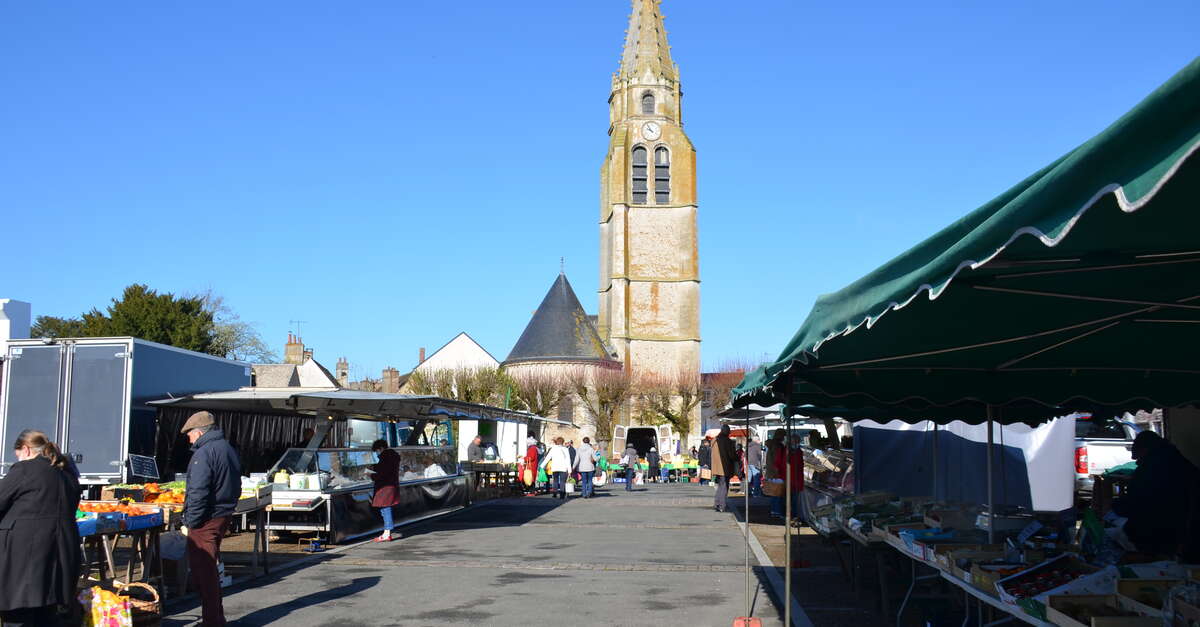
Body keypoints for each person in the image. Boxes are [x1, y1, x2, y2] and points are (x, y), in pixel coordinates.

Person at [0, 430, 81, 627]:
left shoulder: (25, 469)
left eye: (18, 454)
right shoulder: (67, 473)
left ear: (26, 449)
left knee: (19, 616)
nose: (18, 459)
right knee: (47, 614)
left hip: (25, 557)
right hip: (60, 556)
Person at [180, 411, 242, 627]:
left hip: (206, 518)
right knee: (208, 570)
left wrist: (191, 521)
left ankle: (213, 621)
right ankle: (215, 619)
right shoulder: (227, 448)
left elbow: (198, 491)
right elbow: (236, 484)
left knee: (204, 573)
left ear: (198, 433)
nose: (189, 439)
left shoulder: (204, 453)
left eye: (189, 434)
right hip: (221, 514)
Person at [1111, 431, 1200, 558]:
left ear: (1144, 450)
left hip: (1159, 532)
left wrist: (1114, 506)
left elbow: (1136, 502)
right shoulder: (1180, 461)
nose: (1136, 461)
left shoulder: (1150, 469)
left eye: (1138, 457)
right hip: (1186, 531)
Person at [369, 439, 401, 542]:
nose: (377, 453)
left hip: (385, 487)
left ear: (381, 448)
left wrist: (371, 475)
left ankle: (387, 532)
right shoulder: (392, 456)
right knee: (385, 508)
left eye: (377, 451)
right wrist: (375, 467)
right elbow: (385, 469)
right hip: (391, 486)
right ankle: (386, 532)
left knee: (385, 508)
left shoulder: (385, 457)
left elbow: (382, 473)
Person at [773, 434, 806, 525]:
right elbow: (777, 464)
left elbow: (800, 465)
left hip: (796, 480)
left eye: (798, 441)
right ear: (791, 441)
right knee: (785, 499)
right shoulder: (784, 450)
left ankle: (793, 516)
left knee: (794, 500)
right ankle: (785, 515)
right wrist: (778, 476)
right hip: (785, 479)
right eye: (795, 441)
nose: (797, 443)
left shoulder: (799, 451)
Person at [711, 426, 737, 512]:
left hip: (716, 467)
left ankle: (717, 503)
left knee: (720, 485)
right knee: (724, 486)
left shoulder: (714, 440)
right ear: (727, 432)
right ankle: (722, 505)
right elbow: (732, 455)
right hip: (724, 466)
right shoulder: (727, 441)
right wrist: (737, 458)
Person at [764, 429, 787, 517]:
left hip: (771, 472)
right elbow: (777, 460)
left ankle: (774, 510)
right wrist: (778, 472)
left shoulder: (771, 444)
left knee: (774, 493)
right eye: (783, 435)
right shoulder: (778, 446)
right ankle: (777, 511)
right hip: (776, 472)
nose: (784, 437)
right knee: (778, 493)